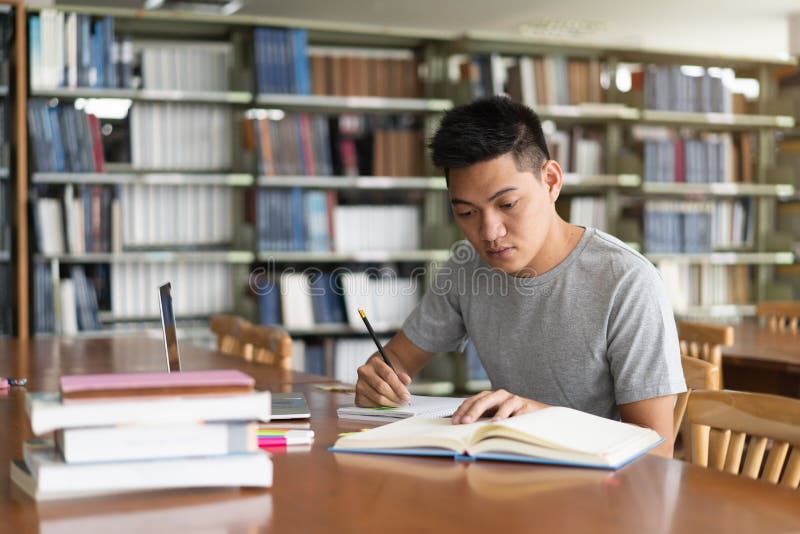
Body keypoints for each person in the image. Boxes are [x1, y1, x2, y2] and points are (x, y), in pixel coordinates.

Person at [355, 96, 686, 457]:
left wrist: (544, 419)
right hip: (507, 477)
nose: (489, 232)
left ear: (551, 181)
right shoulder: (468, 266)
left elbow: (656, 450)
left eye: (507, 205)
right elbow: (397, 361)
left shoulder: (626, 281)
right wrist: (379, 381)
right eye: (466, 212)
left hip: (596, 495)